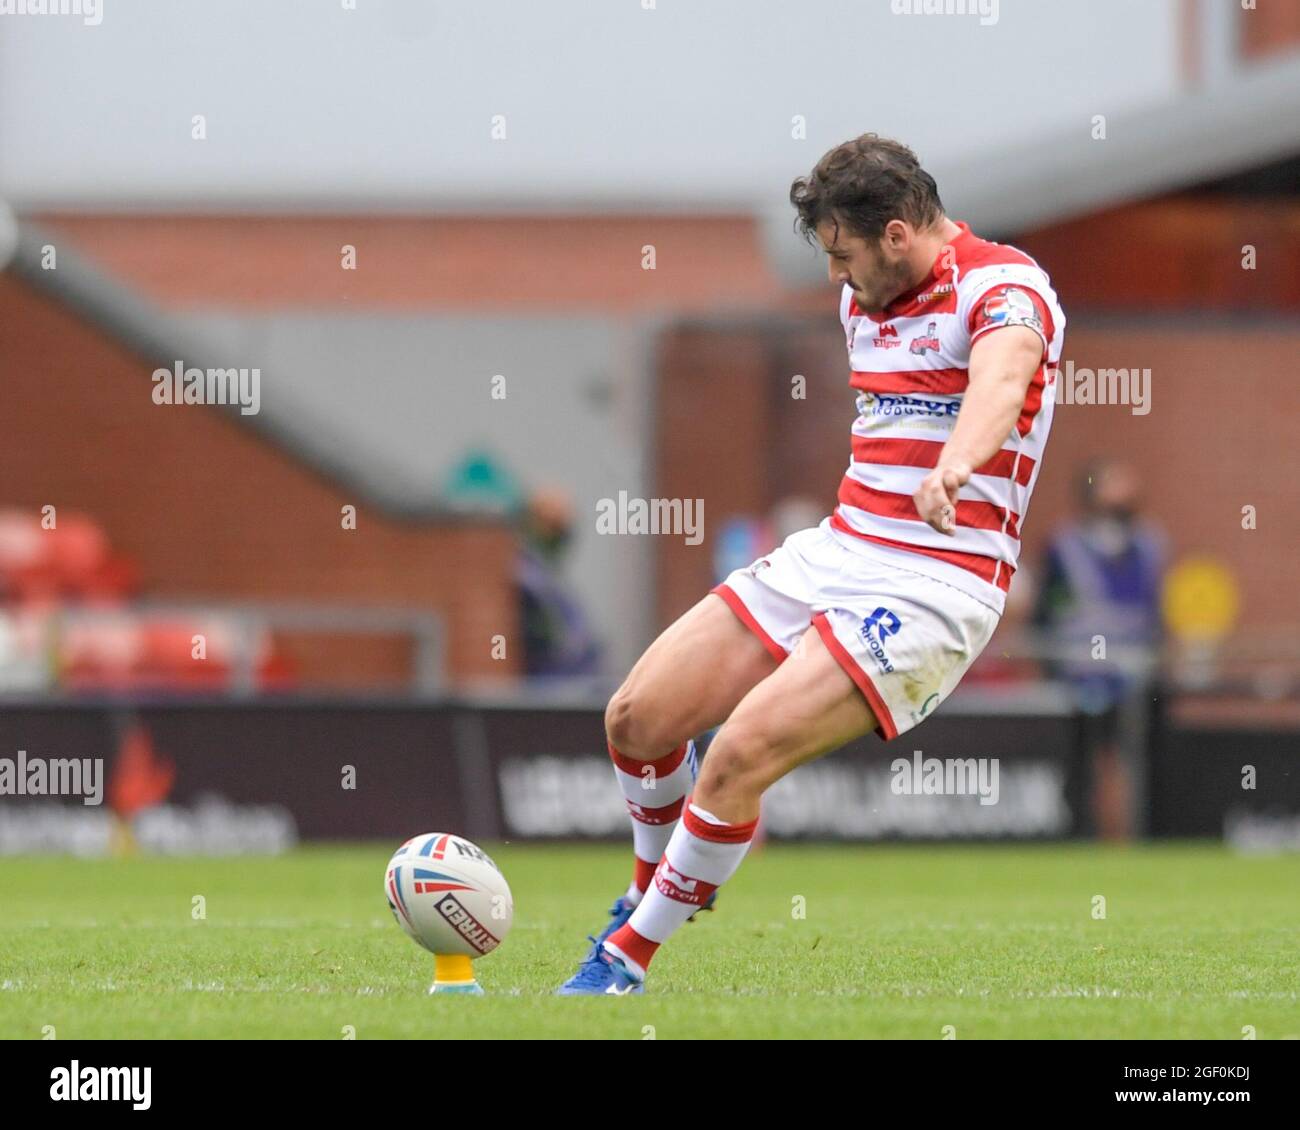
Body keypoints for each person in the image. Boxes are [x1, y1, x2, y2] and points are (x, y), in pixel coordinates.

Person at [557, 133, 1066, 994]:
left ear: (898, 234)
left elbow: (1003, 378)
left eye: (843, 254)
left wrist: (957, 463)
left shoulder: (1004, 286)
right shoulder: (861, 300)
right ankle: (647, 889)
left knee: (738, 756)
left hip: (937, 586)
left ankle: (624, 959)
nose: (836, 276)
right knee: (638, 719)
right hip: (840, 548)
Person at [1034, 460, 1165, 838]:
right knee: (1084, 762)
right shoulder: (1065, 546)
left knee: (1134, 759)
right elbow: (1047, 612)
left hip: (1138, 673)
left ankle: (1136, 835)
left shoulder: (1150, 544)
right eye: (1114, 483)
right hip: (1080, 672)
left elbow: (1154, 612)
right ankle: (1082, 834)